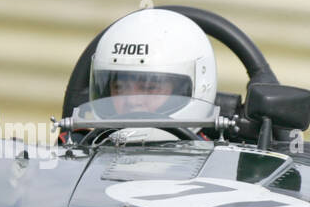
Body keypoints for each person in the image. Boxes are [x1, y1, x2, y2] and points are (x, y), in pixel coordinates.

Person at [86, 8, 218, 122]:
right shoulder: (77, 146)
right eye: (120, 88)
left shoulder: (220, 151)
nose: (132, 102)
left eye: (149, 87)